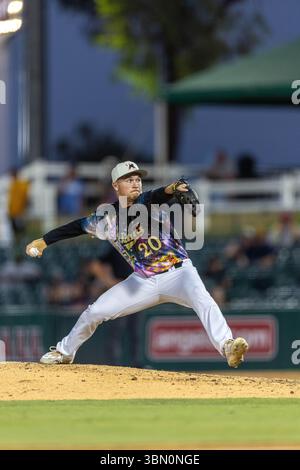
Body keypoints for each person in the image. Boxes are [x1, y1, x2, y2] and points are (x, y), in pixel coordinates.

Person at [26, 161, 248, 368]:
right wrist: (44, 241)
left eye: (137, 179)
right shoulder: (106, 218)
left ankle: (227, 345)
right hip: (143, 281)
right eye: (128, 179)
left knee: (204, 301)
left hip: (178, 272)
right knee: (95, 311)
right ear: (116, 185)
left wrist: (172, 188)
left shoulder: (148, 202)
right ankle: (65, 353)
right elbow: (75, 227)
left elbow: (156, 195)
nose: (135, 183)